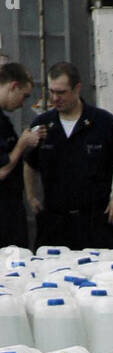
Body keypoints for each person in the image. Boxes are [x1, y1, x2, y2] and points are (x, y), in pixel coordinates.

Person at [24, 61, 113, 250]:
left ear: (77, 88)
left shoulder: (104, 123)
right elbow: (29, 163)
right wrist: (31, 196)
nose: (55, 98)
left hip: (94, 222)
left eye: (61, 92)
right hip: (54, 222)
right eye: (52, 92)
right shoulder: (43, 125)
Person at [0, 62, 43, 248]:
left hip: (11, 211)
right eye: (24, 96)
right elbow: (1, 170)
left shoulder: (3, 121)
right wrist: (21, 144)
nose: (23, 104)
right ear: (13, 86)